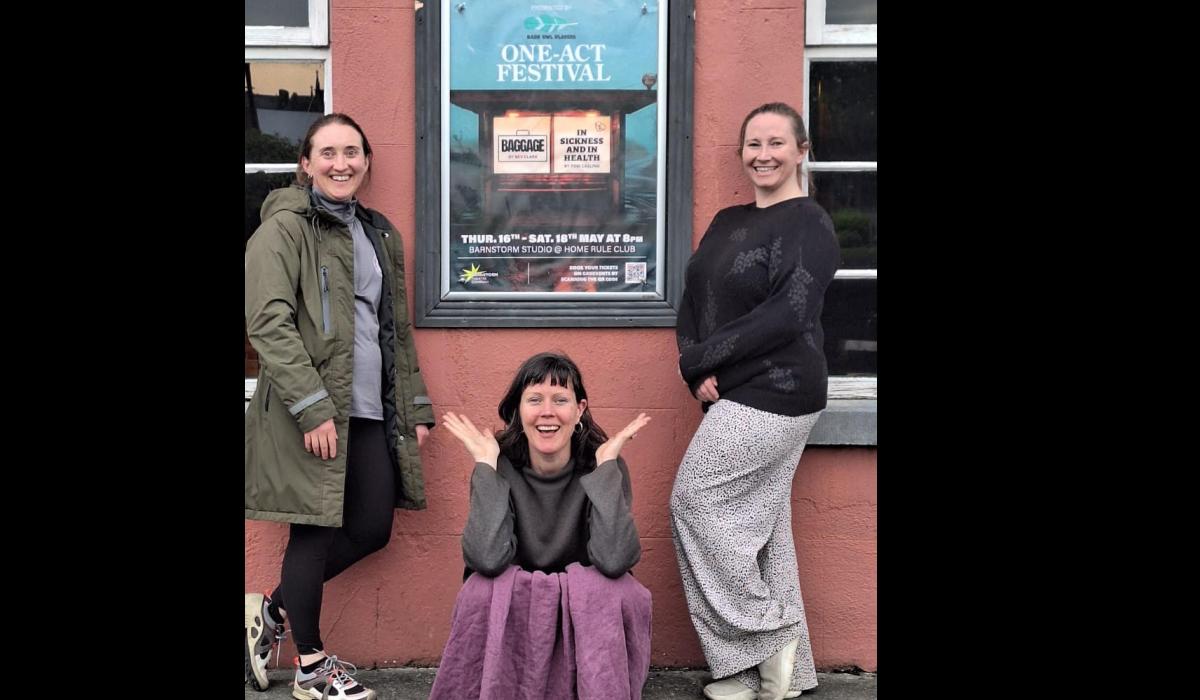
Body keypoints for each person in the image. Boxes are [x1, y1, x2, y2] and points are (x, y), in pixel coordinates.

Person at [243, 112, 435, 700]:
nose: (341, 163)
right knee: (314, 532)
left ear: (367, 161)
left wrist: (415, 406)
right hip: (310, 413)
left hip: (369, 410)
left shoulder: (376, 232)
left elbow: (392, 332)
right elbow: (267, 322)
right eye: (327, 152)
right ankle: (311, 668)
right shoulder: (284, 228)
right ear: (306, 163)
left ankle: (269, 612)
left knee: (373, 525)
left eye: (352, 151)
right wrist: (312, 406)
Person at [670, 102, 840, 700]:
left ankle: (757, 644)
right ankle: (787, 673)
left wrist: (710, 361)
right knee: (767, 530)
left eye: (776, 143)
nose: (763, 154)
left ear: (801, 150)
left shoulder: (810, 223)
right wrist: (697, 370)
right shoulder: (726, 219)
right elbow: (693, 304)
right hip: (731, 385)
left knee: (693, 500)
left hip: (782, 389)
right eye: (752, 144)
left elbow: (790, 313)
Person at [429, 352, 653, 700]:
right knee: (479, 587)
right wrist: (486, 468)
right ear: (519, 410)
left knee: (618, 588)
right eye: (534, 399)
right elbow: (486, 559)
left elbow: (614, 560)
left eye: (560, 400)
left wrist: (607, 468)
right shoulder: (497, 461)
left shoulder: (603, 462)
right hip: (519, 602)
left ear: (579, 410)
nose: (547, 412)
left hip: (584, 608)